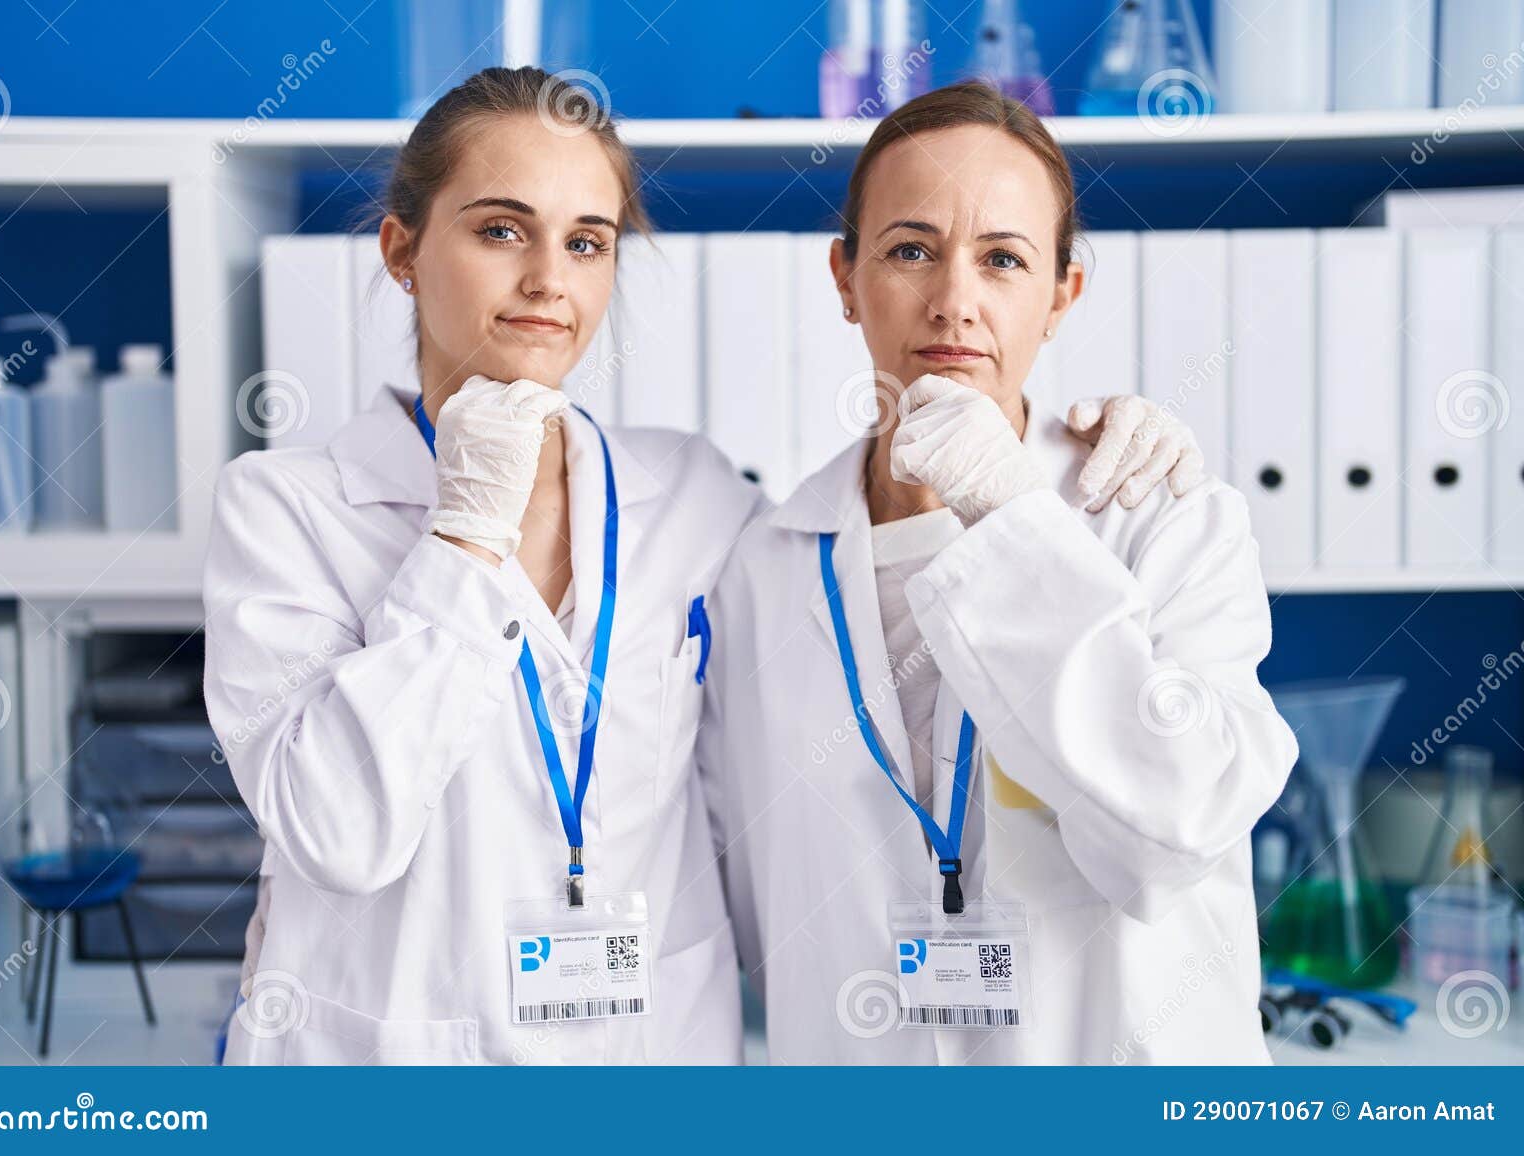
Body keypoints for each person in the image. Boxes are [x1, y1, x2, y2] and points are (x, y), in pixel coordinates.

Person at [204, 67, 1201, 1065]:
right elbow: (337, 831)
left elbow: (874, 557)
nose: (549, 278)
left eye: (587, 241)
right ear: (402, 251)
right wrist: (463, 538)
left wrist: (1087, 455)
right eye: (501, 230)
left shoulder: (693, 498)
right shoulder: (285, 511)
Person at [697, 81, 1297, 1064]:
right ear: (845, 277)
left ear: (1061, 295)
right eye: (910, 250)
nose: (954, 302)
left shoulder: (1160, 519)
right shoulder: (762, 568)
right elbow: (756, 901)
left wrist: (1013, 517)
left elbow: (1173, 833)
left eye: (1003, 259)